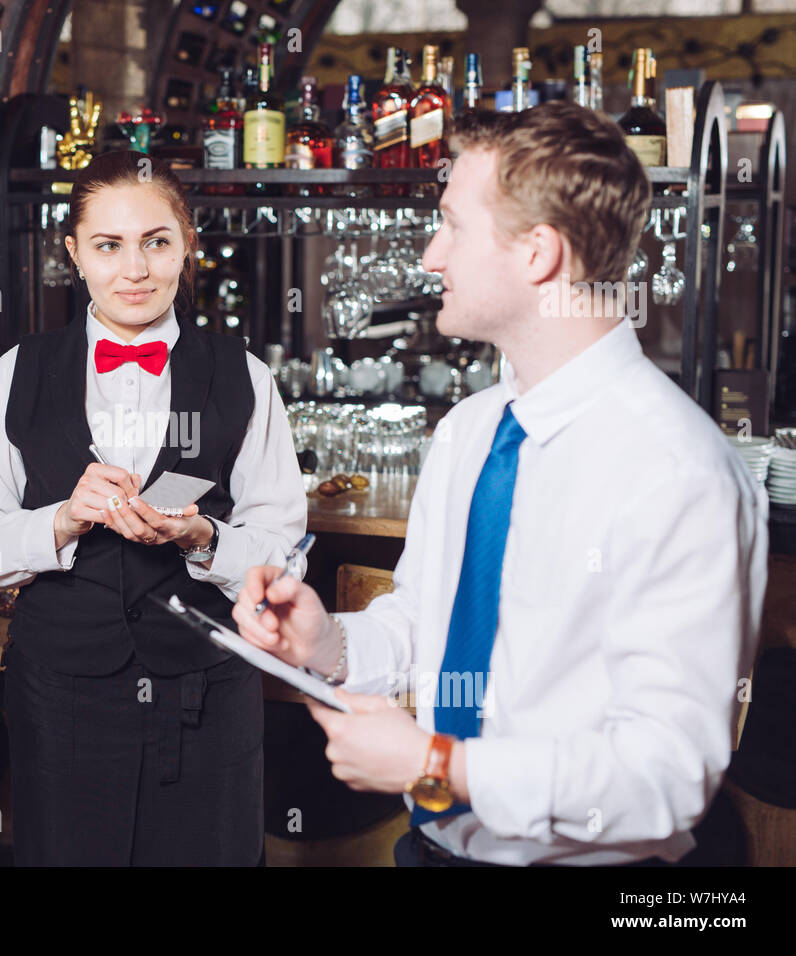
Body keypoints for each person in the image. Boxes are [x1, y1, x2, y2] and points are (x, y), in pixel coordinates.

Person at [233, 103, 768, 867]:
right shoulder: (471, 430)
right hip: (435, 848)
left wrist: (439, 765)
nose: (429, 254)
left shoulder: (678, 471)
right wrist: (330, 643)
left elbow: (666, 774)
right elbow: (426, 622)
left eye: (451, 223)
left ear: (537, 254)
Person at [0, 150, 306, 865]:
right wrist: (59, 520)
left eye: (156, 242)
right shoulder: (15, 374)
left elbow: (283, 554)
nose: (134, 270)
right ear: (74, 252)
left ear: (187, 248)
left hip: (206, 694)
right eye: (109, 246)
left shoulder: (247, 378)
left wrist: (204, 538)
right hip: (61, 701)